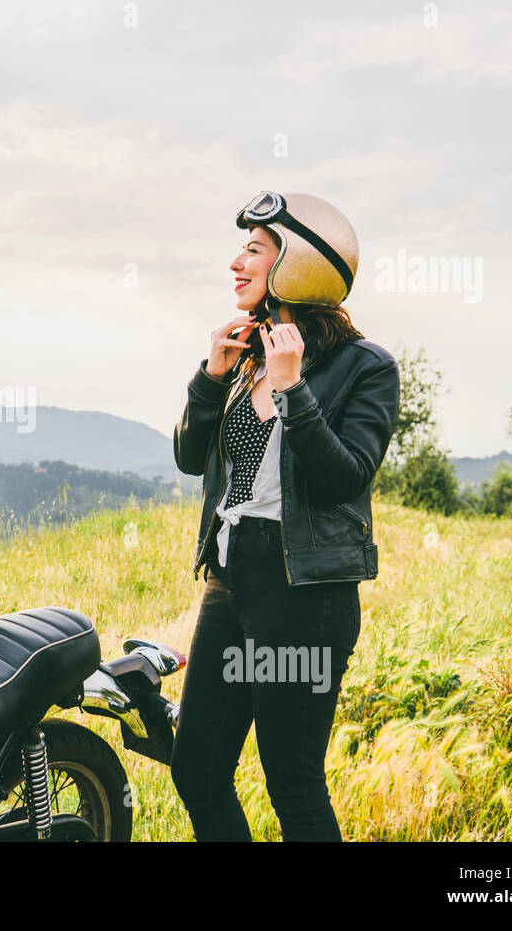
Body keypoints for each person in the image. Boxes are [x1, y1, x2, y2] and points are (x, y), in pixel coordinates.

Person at [170, 192, 400, 841]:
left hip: (303, 595)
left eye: (254, 249)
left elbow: (344, 476)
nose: (236, 263)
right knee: (198, 770)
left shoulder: (365, 367)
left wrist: (295, 388)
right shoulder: (244, 355)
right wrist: (210, 378)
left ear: (299, 262)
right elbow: (191, 458)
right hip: (230, 581)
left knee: (291, 782)